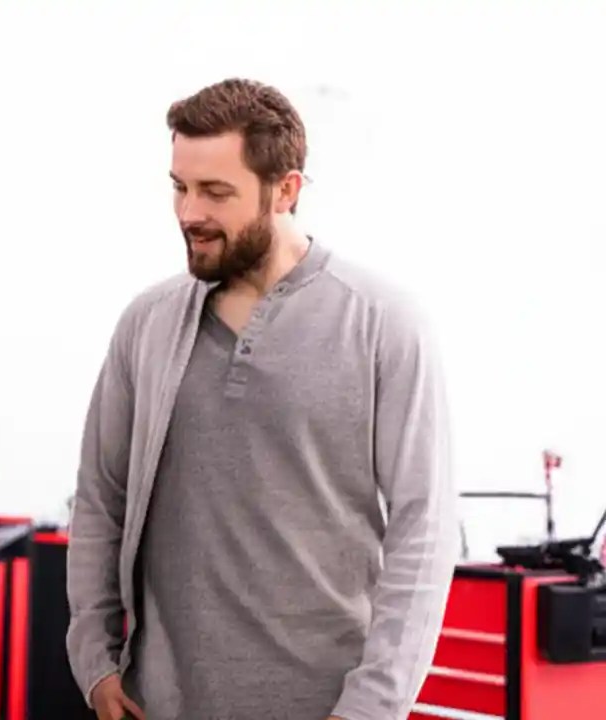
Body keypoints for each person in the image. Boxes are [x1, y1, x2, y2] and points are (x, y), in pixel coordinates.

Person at [66, 78, 458, 720]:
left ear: (286, 190)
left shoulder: (382, 322)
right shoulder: (149, 322)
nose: (190, 212)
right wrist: (96, 663)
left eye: (216, 192)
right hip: (157, 702)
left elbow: (426, 528)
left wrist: (371, 707)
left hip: (322, 705)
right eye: (179, 186)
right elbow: (99, 498)